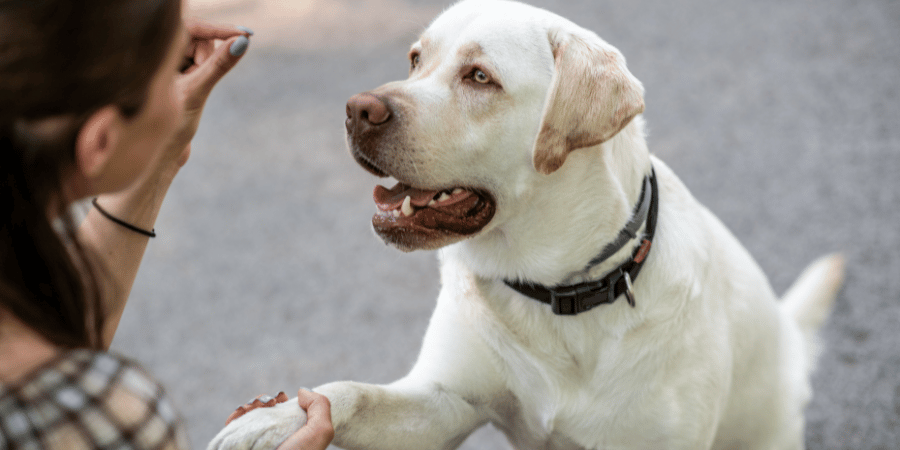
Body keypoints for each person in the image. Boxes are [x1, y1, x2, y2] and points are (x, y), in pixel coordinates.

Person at [0, 0, 333, 448]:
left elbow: (53, 335)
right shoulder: (88, 416)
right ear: (100, 141)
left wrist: (160, 156)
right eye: (165, 74)